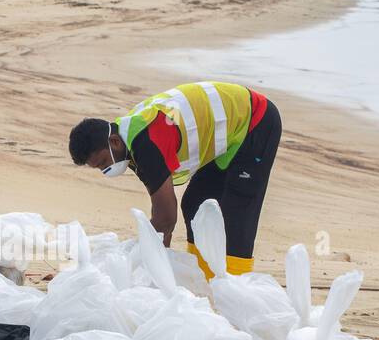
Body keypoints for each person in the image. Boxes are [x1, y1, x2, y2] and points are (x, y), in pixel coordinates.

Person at [69, 80, 281, 278]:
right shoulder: (127, 142)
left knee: (237, 212)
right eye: (98, 168)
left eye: (104, 162)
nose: (106, 170)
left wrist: (148, 268)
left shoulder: (145, 142)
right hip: (223, 137)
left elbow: (165, 218)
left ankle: (237, 285)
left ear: (114, 142)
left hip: (254, 120)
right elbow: (161, 211)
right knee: (194, 205)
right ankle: (205, 276)